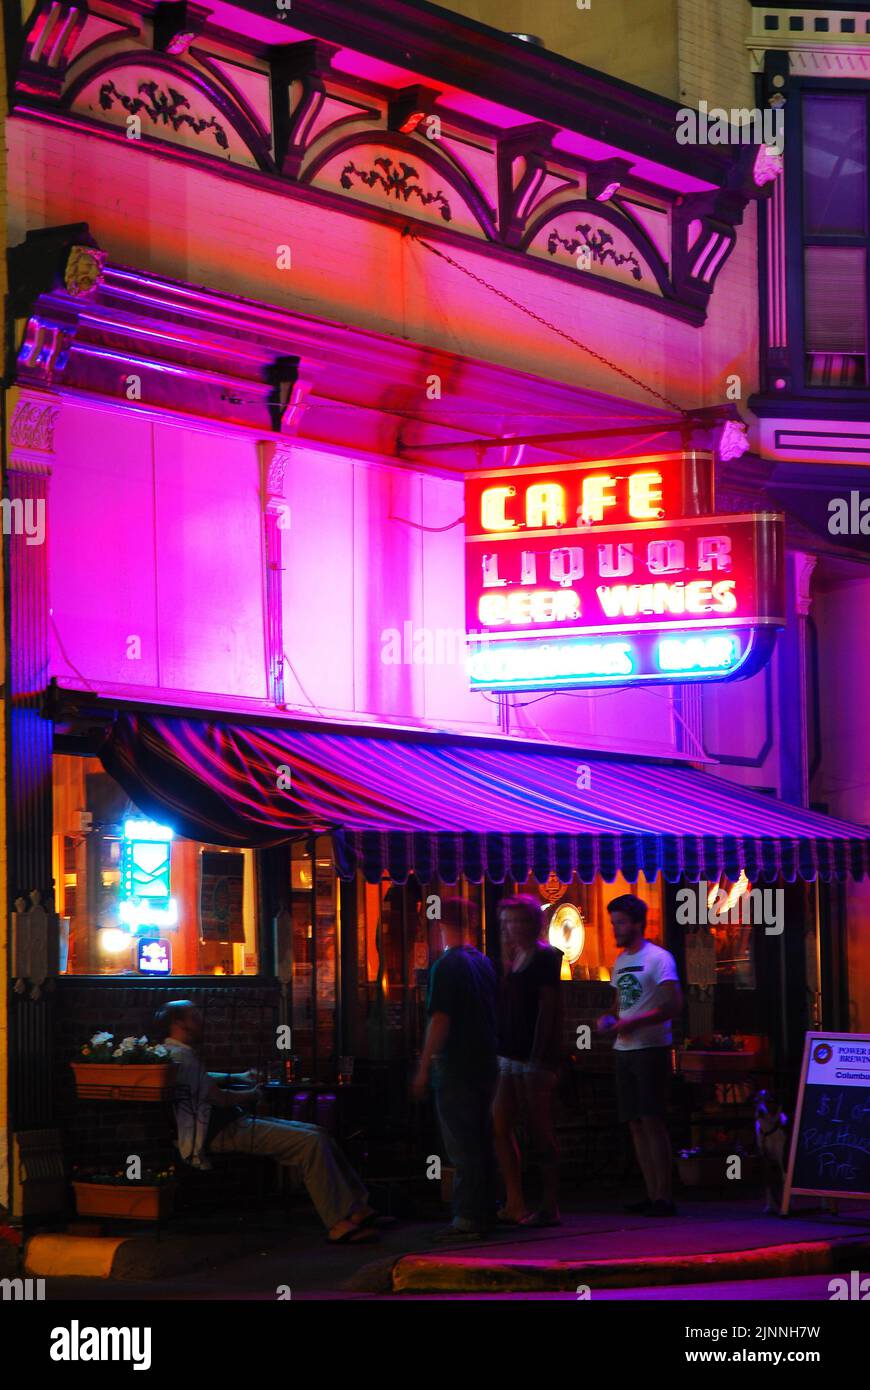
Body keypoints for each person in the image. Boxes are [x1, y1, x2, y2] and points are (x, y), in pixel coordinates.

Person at [157, 1000, 379, 1244]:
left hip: (226, 1124)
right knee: (311, 1141)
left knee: (318, 1132)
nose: (201, 1019)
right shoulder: (183, 1057)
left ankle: (356, 1208)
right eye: (194, 1015)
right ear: (179, 1023)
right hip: (221, 1131)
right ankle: (337, 1223)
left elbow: (203, 1079)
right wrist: (253, 1093)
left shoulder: (175, 1053)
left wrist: (238, 1077)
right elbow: (219, 1098)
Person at [412, 898, 498, 1243]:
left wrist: (422, 1067)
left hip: (456, 1067)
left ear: (439, 924)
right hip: (485, 1064)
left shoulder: (446, 966)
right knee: (481, 1141)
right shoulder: (484, 963)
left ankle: (467, 1217)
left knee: (461, 1146)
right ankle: (485, 1210)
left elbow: (440, 1019)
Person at [597, 894, 683, 1217]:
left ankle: (665, 1195)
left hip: (650, 1050)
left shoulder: (659, 959)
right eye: (613, 923)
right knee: (634, 1122)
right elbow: (620, 1003)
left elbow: (673, 1005)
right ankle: (651, 1193)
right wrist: (608, 1019)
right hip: (624, 1050)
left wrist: (632, 1022)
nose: (614, 929)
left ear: (636, 924)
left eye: (619, 922)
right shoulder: (619, 962)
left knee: (653, 1120)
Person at [493, 895, 563, 1227]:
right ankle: (515, 1201)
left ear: (533, 923)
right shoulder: (515, 956)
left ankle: (550, 1205)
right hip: (508, 1052)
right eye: (507, 921)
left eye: (518, 921)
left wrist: (537, 1057)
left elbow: (548, 1010)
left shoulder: (546, 957)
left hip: (533, 1056)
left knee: (539, 1130)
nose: (511, 928)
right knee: (500, 1124)